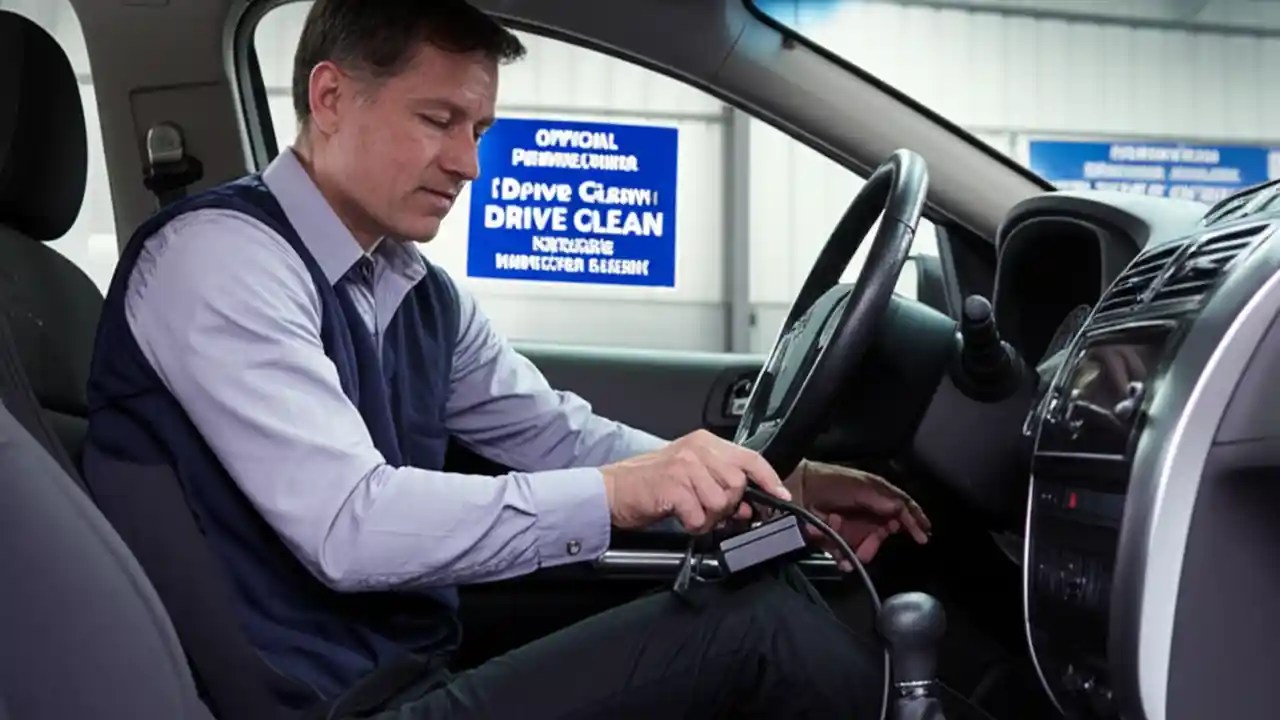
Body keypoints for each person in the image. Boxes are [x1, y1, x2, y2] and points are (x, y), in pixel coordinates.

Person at [83, 0, 932, 717]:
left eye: (480, 128)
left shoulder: (416, 290)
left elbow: (559, 437)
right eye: (437, 120)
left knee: (758, 596)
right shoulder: (218, 259)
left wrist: (767, 481)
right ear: (331, 97)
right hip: (327, 703)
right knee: (753, 630)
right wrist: (620, 494)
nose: (469, 164)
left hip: (401, 663)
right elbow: (350, 525)